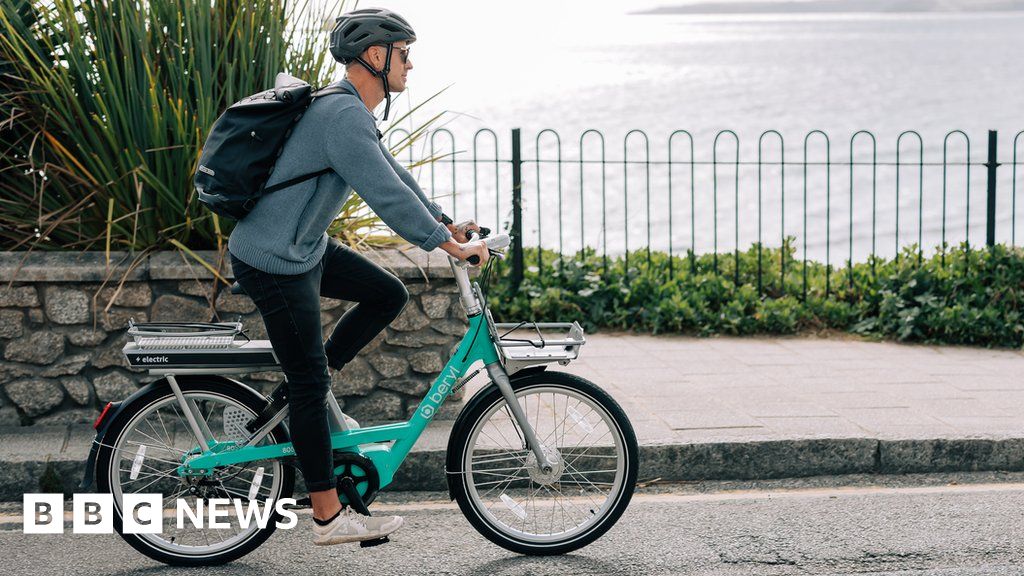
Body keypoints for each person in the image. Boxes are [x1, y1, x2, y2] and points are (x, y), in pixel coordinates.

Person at [227, 7, 489, 546]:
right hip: (274, 259)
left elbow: (393, 174)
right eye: (405, 54)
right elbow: (386, 198)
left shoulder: (346, 110)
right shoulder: (342, 115)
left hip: (302, 247)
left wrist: (444, 223)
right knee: (309, 380)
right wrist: (450, 248)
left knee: (385, 293)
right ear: (376, 55)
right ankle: (327, 517)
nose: (410, 66)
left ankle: (312, 388)